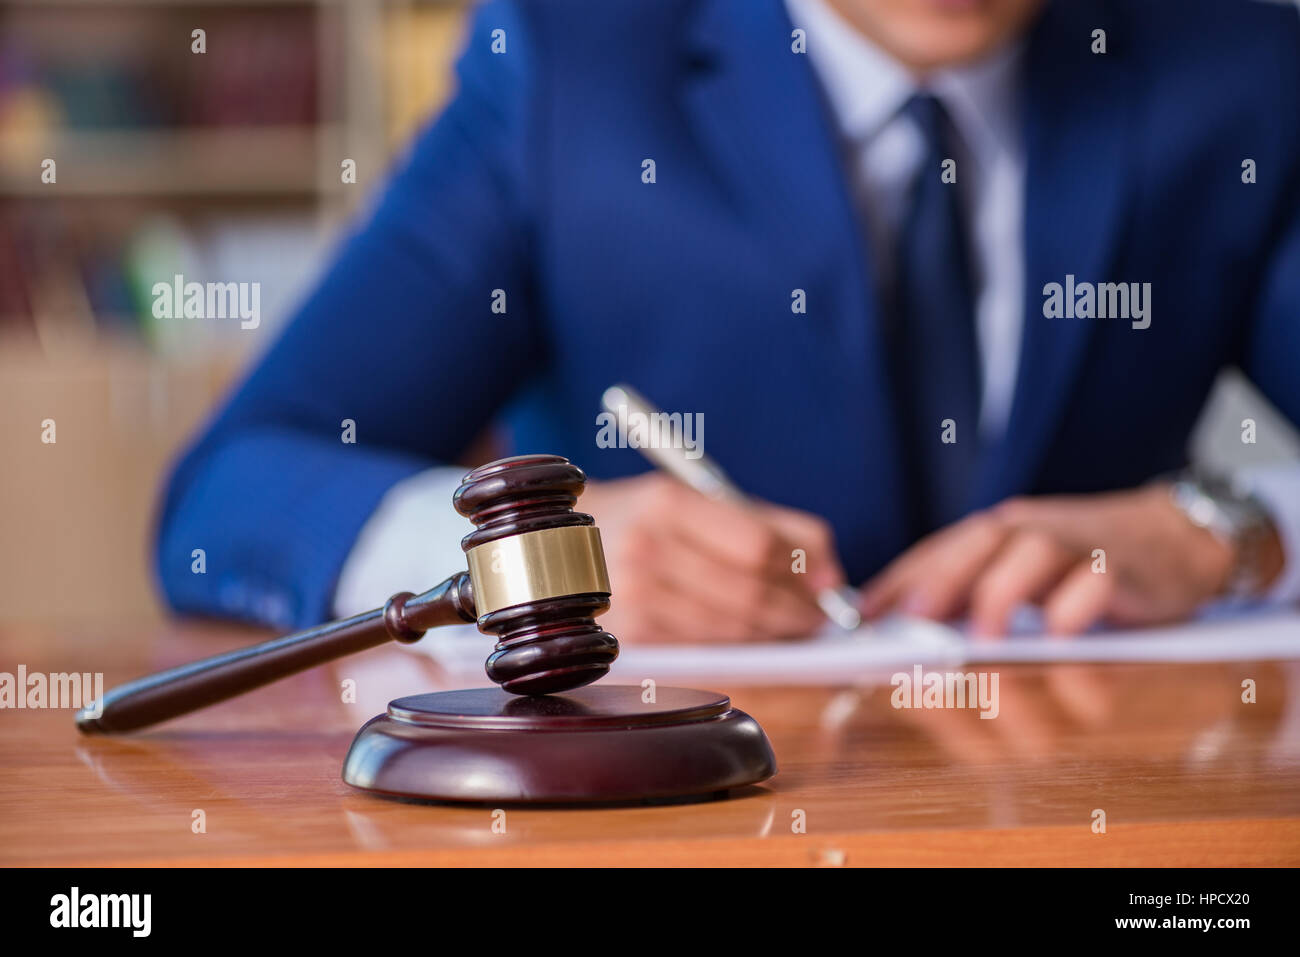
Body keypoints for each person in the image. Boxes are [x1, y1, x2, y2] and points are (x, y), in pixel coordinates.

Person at [155, 0, 1300, 645]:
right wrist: (518, 564)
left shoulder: (1237, 65)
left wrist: (1227, 531)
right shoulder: (570, 62)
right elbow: (230, 490)